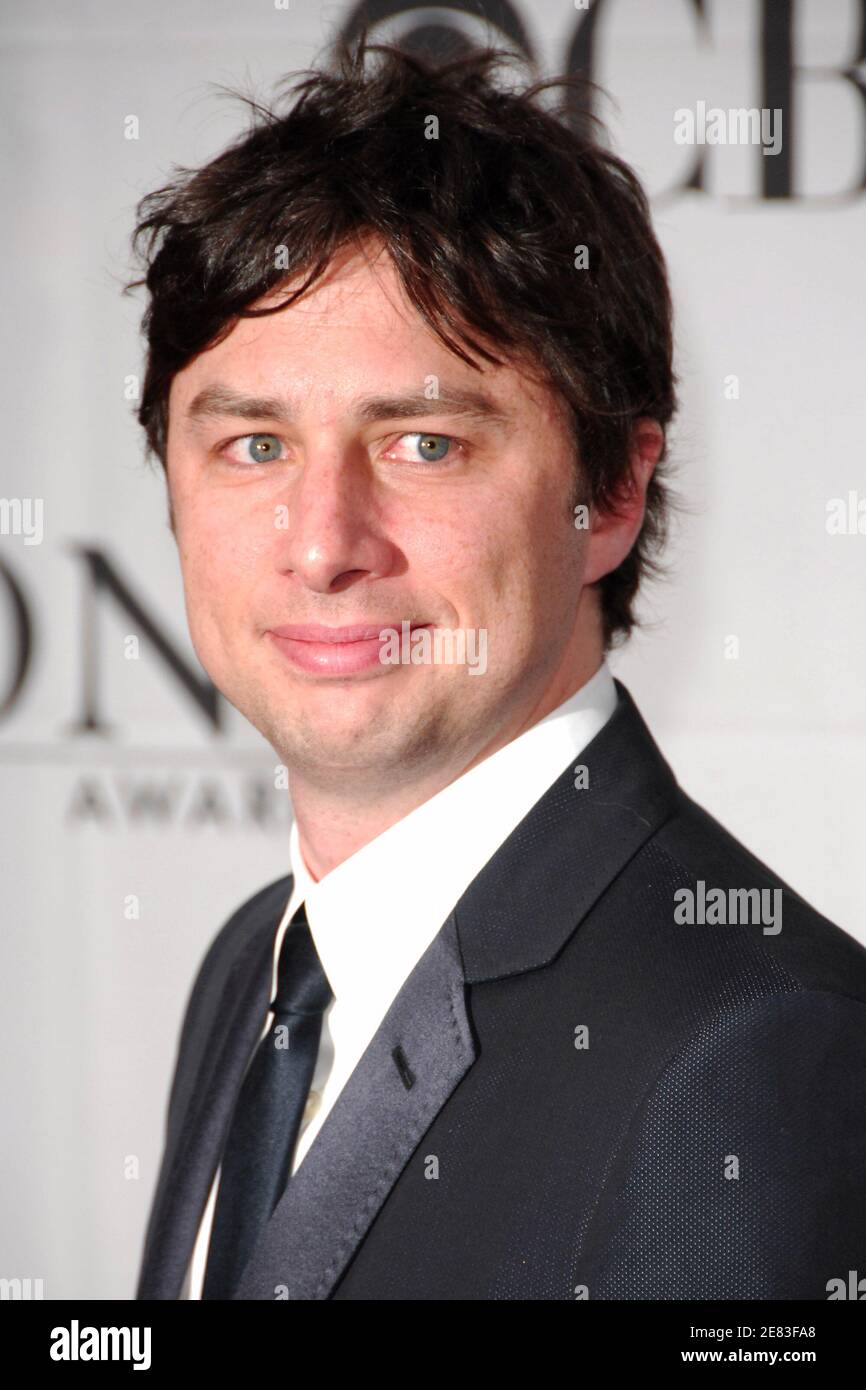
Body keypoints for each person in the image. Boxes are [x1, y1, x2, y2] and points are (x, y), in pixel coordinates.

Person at [130, 34, 866, 1301]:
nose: (320, 545)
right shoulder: (252, 967)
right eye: (252, 446)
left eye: (422, 443)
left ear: (613, 493)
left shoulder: (753, 1055)